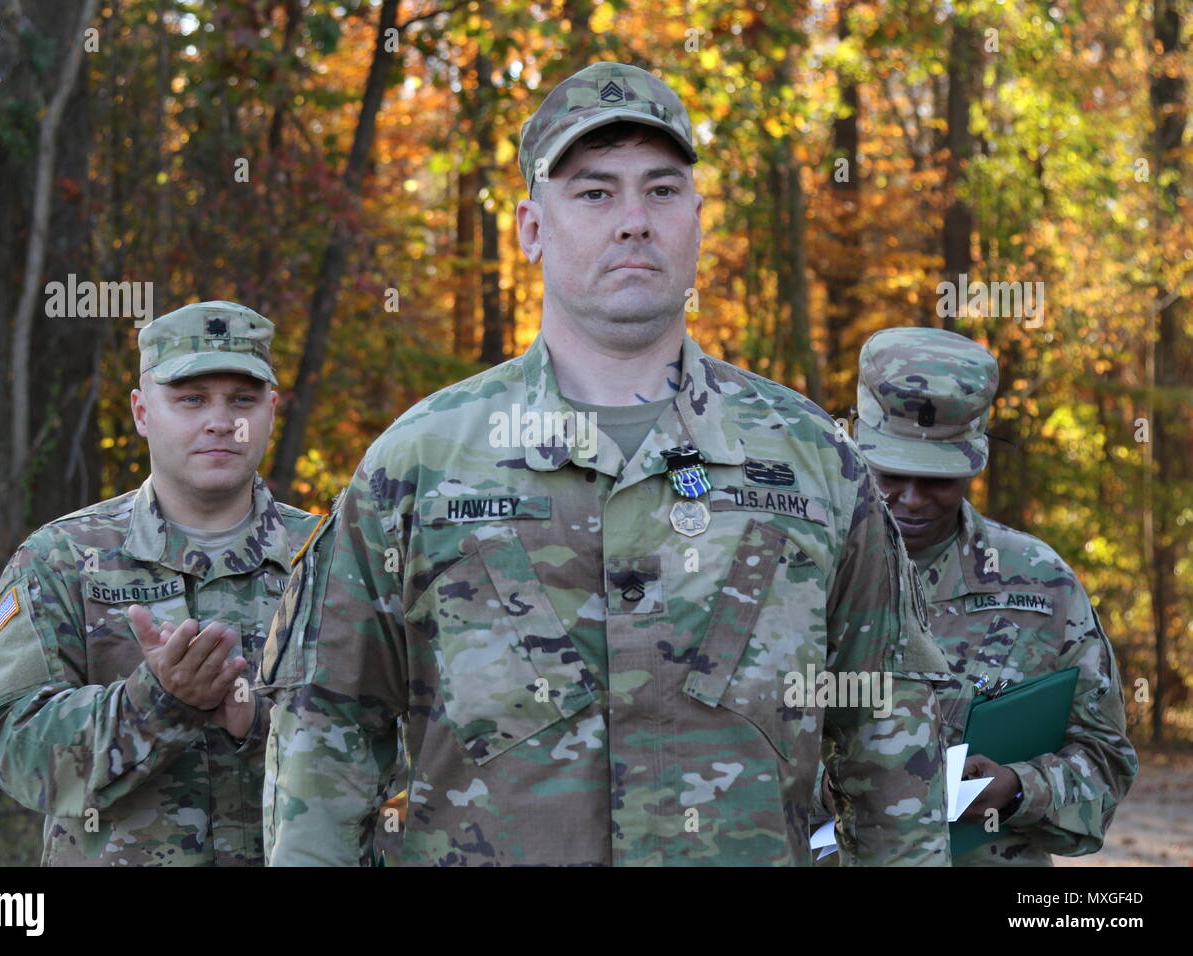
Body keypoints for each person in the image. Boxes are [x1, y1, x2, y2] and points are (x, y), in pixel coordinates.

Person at [258, 62, 951, 866]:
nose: (633, 222)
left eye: (660, 191)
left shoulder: (810, 460)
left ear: (698, 220)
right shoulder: (419, 462)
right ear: (531, 229)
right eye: (594, 193)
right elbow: (330, 730)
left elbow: (885, 733)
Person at [0, 301, 325, 865]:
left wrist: (257, 724)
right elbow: (16, 750)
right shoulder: (59, 560)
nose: (219, 420)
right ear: (140, 411)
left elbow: (404, 743)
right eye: (190, 399)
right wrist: (157, 703)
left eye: (242, 399)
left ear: (271, 410)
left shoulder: (329, 558)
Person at [851, 325, 1138, 865]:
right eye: (891, 474)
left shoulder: (1039, 582)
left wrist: (1017, 787)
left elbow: (1106, 760)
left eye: (938, 479)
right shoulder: (800, 572)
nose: (910, 499)